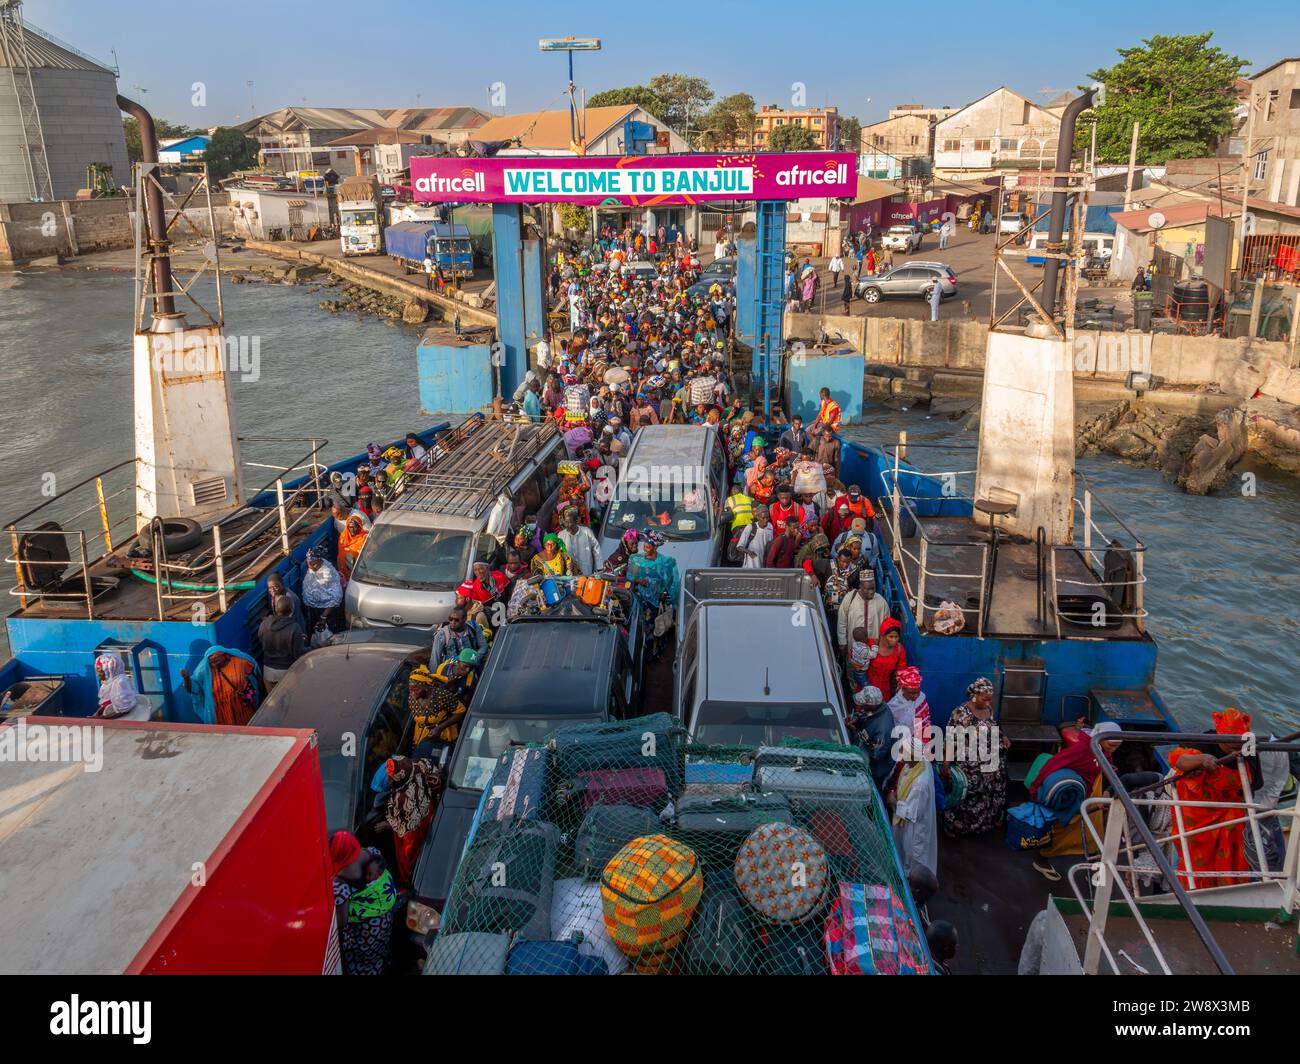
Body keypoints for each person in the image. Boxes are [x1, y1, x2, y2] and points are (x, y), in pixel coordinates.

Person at [1165, 708, 1257, 889]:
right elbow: (1179, 759)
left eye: (1240, 743)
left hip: (1231, 814)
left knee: (1234, 855)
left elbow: (1255, 781)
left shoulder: (1249, 746)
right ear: (1219, 734)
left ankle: (1230, 887)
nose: (1236, 747)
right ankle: (1189, 888)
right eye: (1230, 742)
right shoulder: (1205, 740)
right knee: (1193, 854)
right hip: (1199, 812)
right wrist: (1202, 760)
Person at [1027, 720, 1124, 880]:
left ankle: (1092, 861)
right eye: (1111, 745)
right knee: (1062, 827)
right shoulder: (1082, 749)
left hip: (1091, 792)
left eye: (1116, 747)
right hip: (1075, 796)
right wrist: (1036, 789)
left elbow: (1106, 761)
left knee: (1093, 829)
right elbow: (1052, 764)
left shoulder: (1101, 750)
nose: (1113, 750)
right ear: (1099, 738)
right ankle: (1042, 858)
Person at [941, 677, 1010, 837]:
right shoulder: (960, 713)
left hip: (991, 761)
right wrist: (946, 763)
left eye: (989, 699)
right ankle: (959, 828)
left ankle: (982, 826)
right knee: (968, 793)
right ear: (974, 695)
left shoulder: (988, 709)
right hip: (970, 764)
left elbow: (992, 725)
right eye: (984, 699)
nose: (987, 702)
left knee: (990, 791)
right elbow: (951, 740)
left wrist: (1002, 736)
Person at [331, 831, 397, 976]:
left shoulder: (340, 884)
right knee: (377, 956)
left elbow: (342, 922)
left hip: (364, 934)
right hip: (383, 921)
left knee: (361, 966)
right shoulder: (372, 852)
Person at [379, 755, 442, 886]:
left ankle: (412, 883)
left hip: (413, 832)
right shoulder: (419, 765)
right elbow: (434, 771)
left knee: (409, 859)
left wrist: (388, 825)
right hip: (429, 812)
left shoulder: (401, 799)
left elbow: (405, 828)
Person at [626, 531, 678, 660]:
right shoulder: (636, 560)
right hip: (639, 601)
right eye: (645, 545)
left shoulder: (664, 563)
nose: (645, 548)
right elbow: (630, 578)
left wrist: (666, 595)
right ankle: (639, 653)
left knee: (657, 628)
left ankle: (652, 654)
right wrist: (639, 581)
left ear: (655, 547)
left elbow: (671, 582)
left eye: (649, 547)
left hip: (656, 603)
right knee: (639, 627)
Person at [183, 646, 261, 726]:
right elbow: (192, 689)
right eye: (211, 662)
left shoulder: (240, 661)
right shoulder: (204, 670)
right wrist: (186, 679)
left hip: (243, 709)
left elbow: (256, 672)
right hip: (221, 715)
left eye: (216, 660)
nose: (214, 664)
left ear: (224, 656)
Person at [846, 685, 895, 789]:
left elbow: (876, 755)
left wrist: (855, 733)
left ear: (871, 705)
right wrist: (857, 719)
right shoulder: (878, 707)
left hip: (877, 769)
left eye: (863, 704)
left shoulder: (883, 729)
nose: (860, 707)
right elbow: (865, 714)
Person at [258, 595, 307, 688]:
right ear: (292, 610)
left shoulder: (264, 624)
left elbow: (262, 640)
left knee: (274, 702)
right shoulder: (295, 628)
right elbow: (298, 653)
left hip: (268, 673)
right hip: (287, 673)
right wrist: (318, 646)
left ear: (276, 609)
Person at [836, 569, 890, 653]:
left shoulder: (882, 602)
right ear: (860, 586)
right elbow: (842, 621)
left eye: (873, 588)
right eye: (868, 589)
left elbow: (887, 627)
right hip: (853, 648)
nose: (871, 592)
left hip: (874, 650)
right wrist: (842, 642)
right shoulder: (850, 598)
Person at [92, 654, 151, 721]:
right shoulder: (106, 683)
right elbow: (106, 703)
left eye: (99, 670)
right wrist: (98, 714)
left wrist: (102, 718)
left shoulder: (120, 682)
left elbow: (125, 709)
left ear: (109, 669)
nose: (97, 674)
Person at [301, 546, 344, 636]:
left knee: (330, 633)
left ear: (321, 561)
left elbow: (336, 597)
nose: (311, 567)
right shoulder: (312, 571)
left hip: (328, 612)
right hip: (314, 608)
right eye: (309, 564)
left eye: (313, 564)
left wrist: (323, 616)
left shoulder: (328, 575)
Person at [886, 666, 931, 744]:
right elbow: (890, 728)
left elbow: (926, 723)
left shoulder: (921, 700)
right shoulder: (894, 705)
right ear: (903, 689)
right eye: (912, 693)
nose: (916, 696)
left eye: (918, 692)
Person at [867, 616, 907, 698]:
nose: (894, 640)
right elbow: (854, 654)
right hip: (866, 686)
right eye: (891, 636)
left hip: (884, 690)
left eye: (896, 637)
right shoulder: (871, 644)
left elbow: (901, 670)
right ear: (882, 635)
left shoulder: (899, 650)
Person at [558, 506, 602, 575]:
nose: (568, 525)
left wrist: (599, 567)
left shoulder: (587, 532)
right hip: (568, 573)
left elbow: (596, 549)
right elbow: (559, 553)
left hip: (586, 570)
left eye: (570, 522)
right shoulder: (561, 535)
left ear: (576, 521)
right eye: (566, 522)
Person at [336, 513, 368, 581]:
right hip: (344, 569)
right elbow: (340, 553)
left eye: (355, 527)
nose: (353, 529)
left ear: (359, 527)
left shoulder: (365, 537)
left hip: (360, 570)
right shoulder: (343, 537)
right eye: (350, 527)